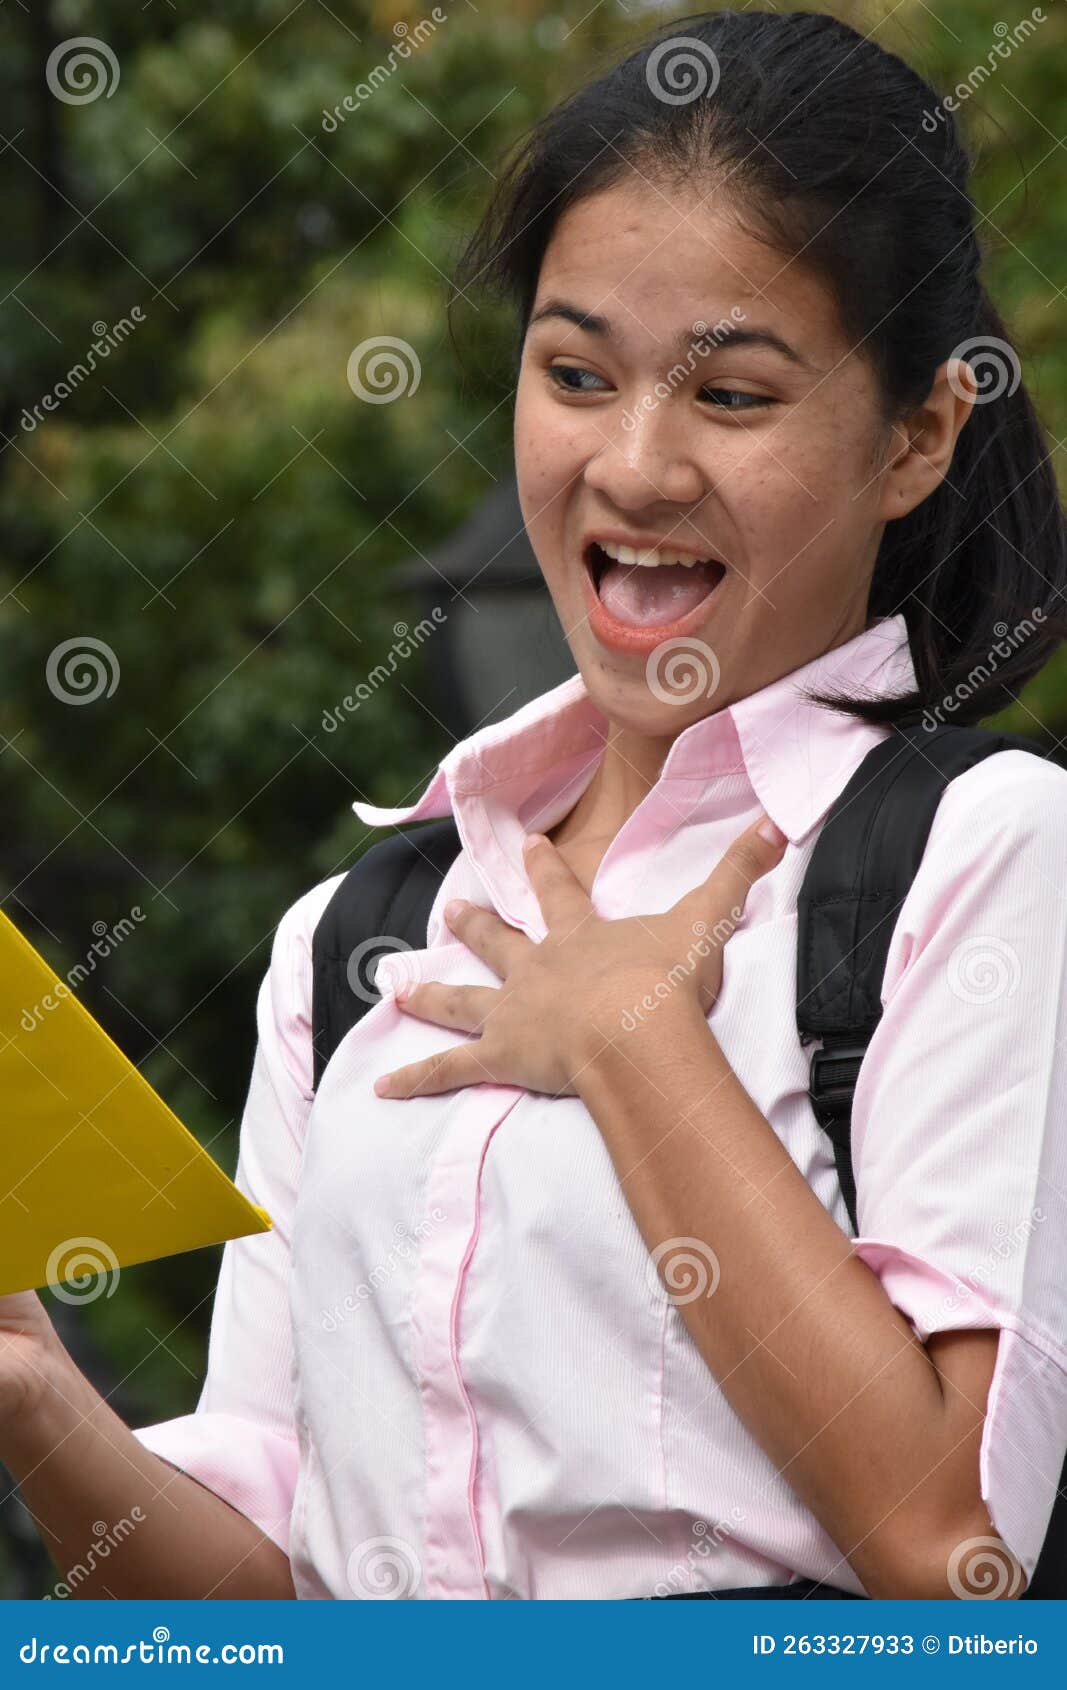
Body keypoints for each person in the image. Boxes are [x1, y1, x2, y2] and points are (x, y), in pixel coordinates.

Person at [3, 6, 1066, 1601]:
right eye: (576, 374)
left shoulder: (984, 853)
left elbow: (949, 1545)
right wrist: (34, 1399)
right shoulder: (357, 935)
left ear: (917, 436)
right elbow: (283, 1601)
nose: (633, 466)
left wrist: (635, 1044)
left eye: (733, 396)